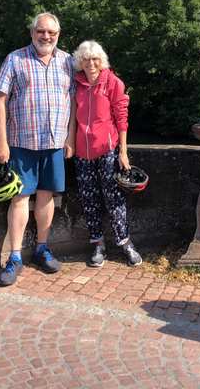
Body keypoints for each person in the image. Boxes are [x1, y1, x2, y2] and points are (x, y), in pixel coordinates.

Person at [0, 12, 76, 286]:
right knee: (19, 199)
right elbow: (0, 101)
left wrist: (70, 137)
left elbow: (74, 103)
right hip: (22, 142)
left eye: (51, 32)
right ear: (32, 33)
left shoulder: (67, 62)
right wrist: (2, 142)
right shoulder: (15, 59)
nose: (46, 36)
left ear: (58, 35)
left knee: (46, 197)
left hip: (54, 143)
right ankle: (15, 257)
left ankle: (41, 248)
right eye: (41, 31)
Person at [72, 40, 142, 267]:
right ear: (80, 62)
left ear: (101, 61)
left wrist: (123, 151)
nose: (91, 63)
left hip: (108, 150)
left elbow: (122, 119)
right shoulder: (76, 85)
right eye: (86, 59)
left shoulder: (113, 83)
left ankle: (125, 243)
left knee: (114, 199)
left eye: (95, 59)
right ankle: (98, 245)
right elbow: (72, 116)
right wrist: (69, 142)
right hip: (83, 152)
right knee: (89, 199)